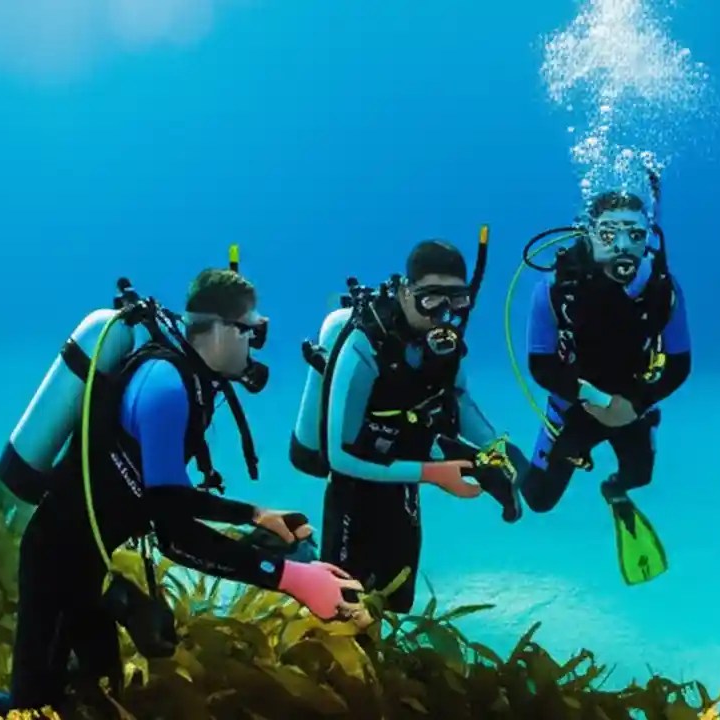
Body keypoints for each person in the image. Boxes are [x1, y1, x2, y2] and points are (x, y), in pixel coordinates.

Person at [3, 268, 364, 712]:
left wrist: (254, 515)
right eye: (252, 332)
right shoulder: (167, 389)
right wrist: (292, 578)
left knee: (97, 696)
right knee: (31, 709)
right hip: (56, 564)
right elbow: (176, 533)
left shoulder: (191, 381)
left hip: (85, 565)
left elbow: (168, 495)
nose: (254, 345)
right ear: (220, 331)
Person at [289, 236, 525, 615]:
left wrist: (500, 451)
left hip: (401, 456)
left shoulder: (443, 342)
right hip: (350, 461)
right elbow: (339, 458)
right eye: (431, 298)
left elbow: (458, 402)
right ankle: (297, 555)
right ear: (404, 292)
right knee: (344, 595)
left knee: (397, 594)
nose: (443, 313)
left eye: (456, 299)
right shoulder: (363, 344)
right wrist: (434, 474)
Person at [518, 186, 692, 585]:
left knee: (639, 476)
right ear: (589, 233)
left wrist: (633, 403)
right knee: (540, 500)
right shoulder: (554, 289)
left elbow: (680, 365)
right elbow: (541, 365)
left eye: (635, 234)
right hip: (572, 406)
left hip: (632, 405)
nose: (624, 247)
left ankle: (613, 490)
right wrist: (591, 398)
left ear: (648, 236)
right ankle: (503, 456)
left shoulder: (663, 290)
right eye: (609, 234)